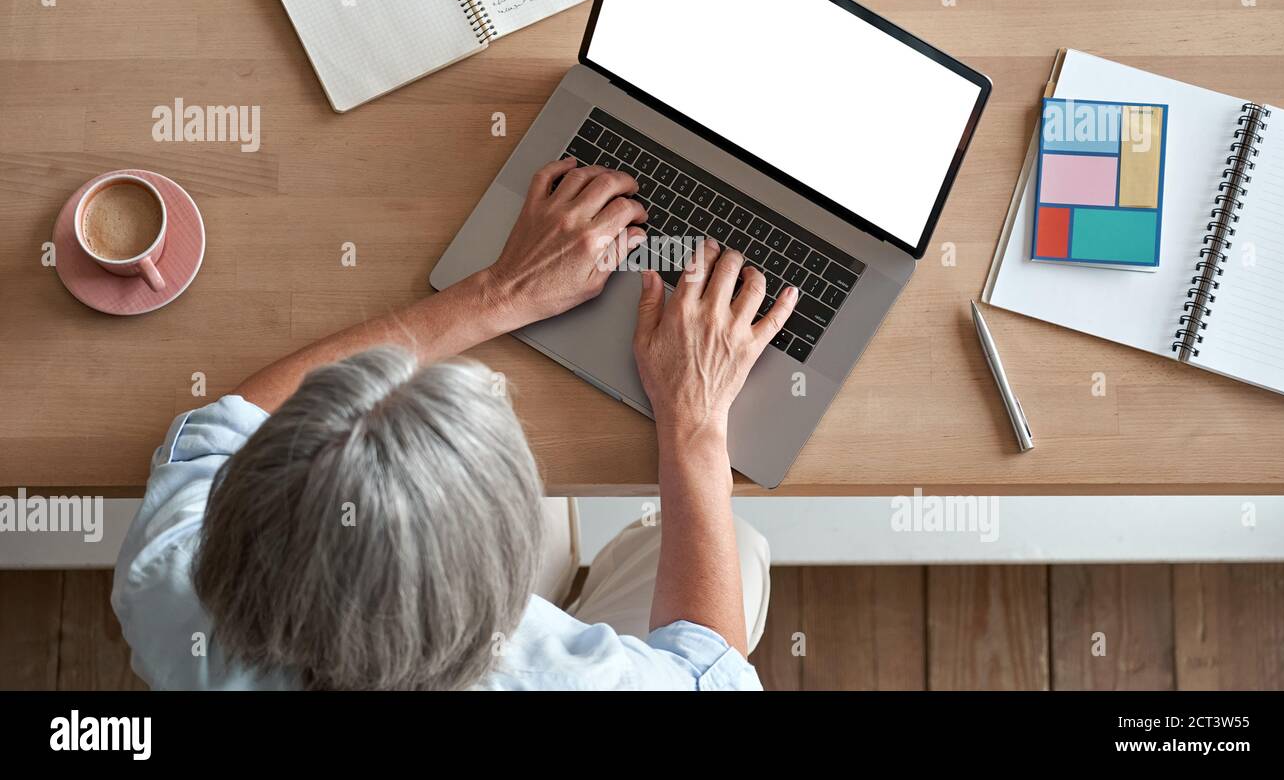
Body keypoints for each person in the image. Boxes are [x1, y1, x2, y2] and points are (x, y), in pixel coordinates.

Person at [112, 157, 797, 690]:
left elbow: (236, 421)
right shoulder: (557, 677)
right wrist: (696, 423)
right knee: (733, 545)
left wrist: (503, 291)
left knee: (562, 533)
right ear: (493, 604)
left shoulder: (172, 579)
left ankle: (554, 570)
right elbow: (712, 670)